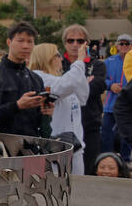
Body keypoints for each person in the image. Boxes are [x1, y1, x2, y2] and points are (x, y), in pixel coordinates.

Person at [30, 44, 88, 174]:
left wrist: (78, 72)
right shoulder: (39, 78)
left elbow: (83, 96)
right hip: (55, 146)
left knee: (78, 189)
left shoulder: (60, 79)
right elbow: (65, 85)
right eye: (57, 55)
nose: (61, 59)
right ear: (46, 58)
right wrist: (79, 62)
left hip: (76, 145)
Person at [0, 22, 55, 138]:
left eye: (30, 41)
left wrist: (46, 113)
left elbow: (40, 125)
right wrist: (17, 106)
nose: (25, 46)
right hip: (2, 146)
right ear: (9, 42)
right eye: (21, 40)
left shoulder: (36, 79)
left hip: (30, 146)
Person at [61, 24, 107, 171]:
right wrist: (82, 83)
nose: (75, 44)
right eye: (71, 40)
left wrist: (67, 84)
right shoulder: (57, 63)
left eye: (80, 41)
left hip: (89, 126)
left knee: (88, 171)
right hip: (62, 127)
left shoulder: (98, 65)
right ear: (65, 43)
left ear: (86, 43)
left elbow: (95, 89)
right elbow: (56, 91)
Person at [102, 33, 132, 162]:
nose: (124, 46)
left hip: (128, 105)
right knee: (106, 134)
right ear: (117, 46)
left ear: (131, 46)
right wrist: (111, 85)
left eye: (127, 44)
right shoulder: (109, 61)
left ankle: (125, 160)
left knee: (127, 135)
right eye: (121, 43)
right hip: (110, 105)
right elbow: (101, 80)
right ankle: (107, 159)